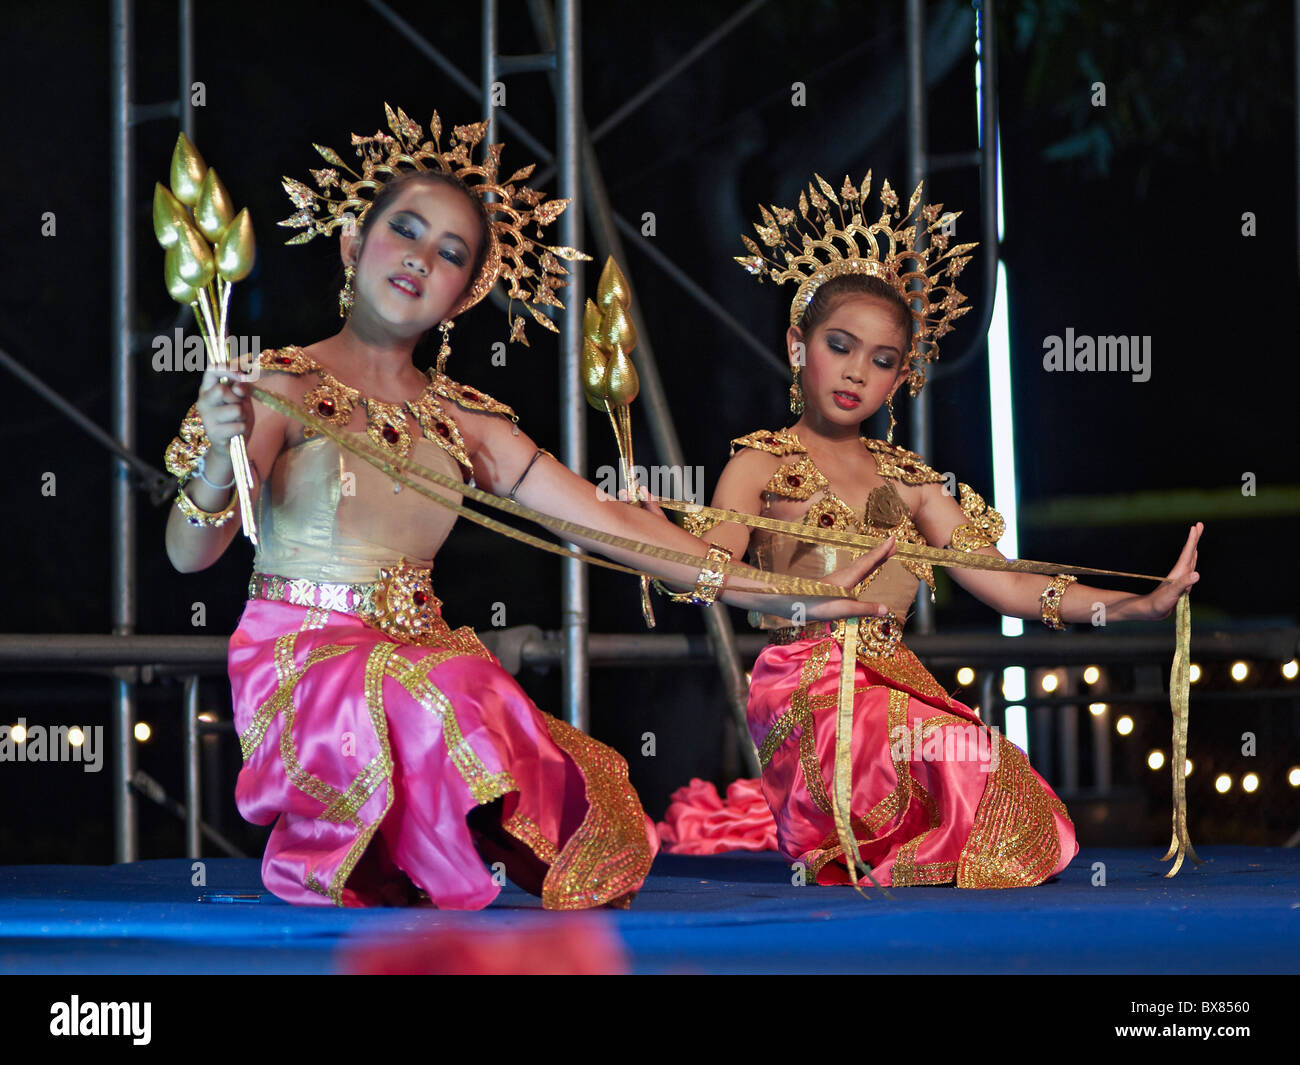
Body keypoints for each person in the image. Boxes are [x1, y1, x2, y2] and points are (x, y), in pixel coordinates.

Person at [162, 108, 894, 910]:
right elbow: (190, 555)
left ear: (462, 295)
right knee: (446, 686)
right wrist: (211, 466)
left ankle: (418, 856)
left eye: (450, 254)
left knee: (539, 753)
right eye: (404, 229)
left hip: (429, 666)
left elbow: (606, 523)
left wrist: (780, 592)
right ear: (350, 243)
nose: (419, 258)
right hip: (306, 667)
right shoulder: (278, 387)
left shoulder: (469, 422)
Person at [659, 172, 1202, 888]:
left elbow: (1004, 581)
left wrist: (1134, 605)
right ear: (798, 345)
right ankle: (854, 845)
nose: (857, 373)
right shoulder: (760, 462)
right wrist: (648, 530)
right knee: (948, 754)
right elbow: (712, 570)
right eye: (840, 345)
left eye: (881, 361)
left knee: (1008, 788)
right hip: (807, 687)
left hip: (897, 684)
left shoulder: (912, 480)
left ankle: (893, 871)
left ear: (899, 377)